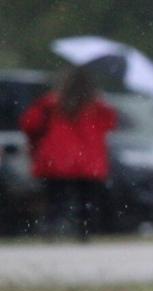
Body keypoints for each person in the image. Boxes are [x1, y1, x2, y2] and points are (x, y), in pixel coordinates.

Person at [20, 67, 117, 242]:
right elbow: (109, 124)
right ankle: (84, 232)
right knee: (86, 201)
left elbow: (30, 124)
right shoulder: (96, 105)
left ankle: (50, 230)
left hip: (58, 160)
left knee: (55, 200)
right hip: (88, 161)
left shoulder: (50, 103)